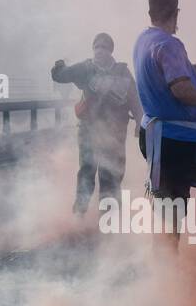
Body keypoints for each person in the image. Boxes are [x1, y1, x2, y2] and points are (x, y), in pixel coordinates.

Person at [132, 0, 196, 210]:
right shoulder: (170, 44)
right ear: (176, 13)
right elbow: (182, 92)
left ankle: (163, 244)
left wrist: (194, 69)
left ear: (150, 13)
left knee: (164, 200)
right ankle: (167, 245)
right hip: (174, 140)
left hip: (153, 134)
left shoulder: (144, 38)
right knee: (174, 204)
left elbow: (159, 71)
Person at [52, 33, 137, 215]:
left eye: (104, 47)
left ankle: (109, 220)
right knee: (87, 172)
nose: (100, 50)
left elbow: (134, 98)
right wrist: (59, 66)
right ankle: (79, 215)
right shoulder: (85, 68)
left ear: (111, 51)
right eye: (97, 46)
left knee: (111, 177)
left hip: (114, 133)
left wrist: (140, 121)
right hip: (89, 130)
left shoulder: (122, 71)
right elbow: (60, 75)